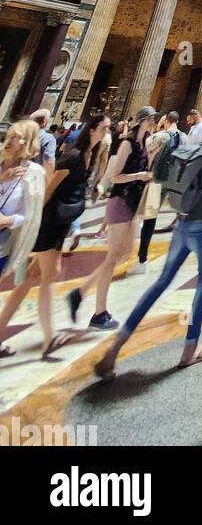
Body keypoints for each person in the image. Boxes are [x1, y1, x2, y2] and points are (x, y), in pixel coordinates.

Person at [94, 105, 202, 377]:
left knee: (161, 283)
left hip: (183, 222)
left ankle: (117, 345)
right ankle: (190, 349)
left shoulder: (201, 141)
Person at [0, 113, 112, 356]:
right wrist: (32, 223)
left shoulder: (90, 156)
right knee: (51, 275)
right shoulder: (72, 156)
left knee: (31, 279)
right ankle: (50, 336)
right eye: (105, 128)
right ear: (91, 129)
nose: (108, 132)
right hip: (49, 222)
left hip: (60, 223)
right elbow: (48, 191)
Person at [69, 105, 157, 331]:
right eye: (152, 119)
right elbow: (113, 177)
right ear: (143, 120)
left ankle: (80, 292)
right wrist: (139, 175)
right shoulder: (127, 143)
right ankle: (99, 312)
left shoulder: (144, 143)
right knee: (113, 256)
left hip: (134, 203)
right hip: (119, 202)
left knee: (125, 253)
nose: (154, 122)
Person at [0, 121, 46, 344]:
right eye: (7, 136)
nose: (7, 141)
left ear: (26, 142)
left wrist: (6, 220)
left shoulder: (33, 173)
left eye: (14, 137)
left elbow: (31, 216)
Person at [131, 129, 172, 276]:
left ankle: (142, 259)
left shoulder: (158, 142)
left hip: (155, 184)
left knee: (149, 220)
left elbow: (149, 164)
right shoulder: (181, 139)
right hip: (171, 183)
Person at [29, 109, 57, 184]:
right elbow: (49, 162)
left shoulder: (20, 134)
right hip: (34, 179)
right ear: (44, 122)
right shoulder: (48, 138)